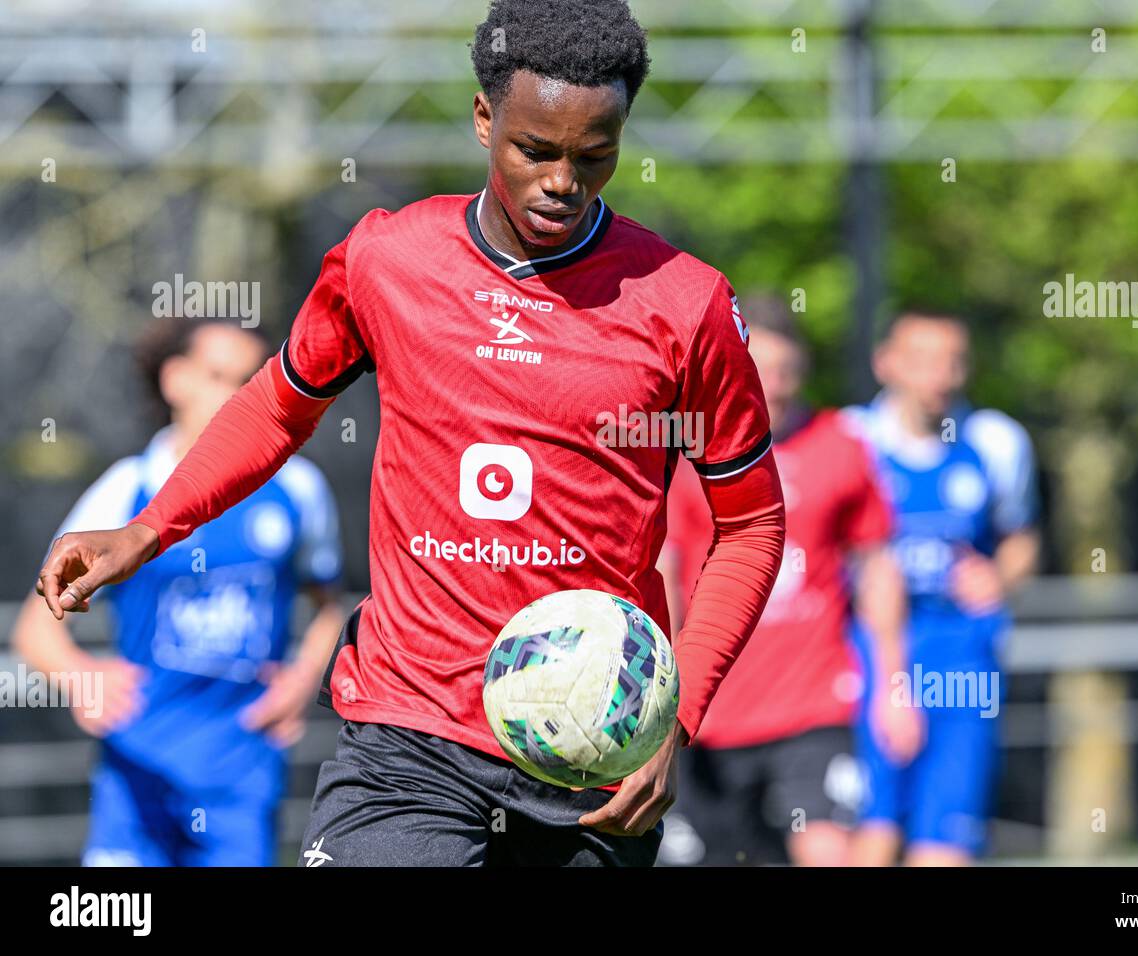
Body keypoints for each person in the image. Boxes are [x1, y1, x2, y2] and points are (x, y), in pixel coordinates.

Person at [35, 0, 785, 867]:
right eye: (534, 151)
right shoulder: (388, 258)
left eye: (595, 155)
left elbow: (752, 525)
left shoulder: (684, 302)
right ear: (483, 118)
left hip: (593, 757)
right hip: (407, 733)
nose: (562, 182)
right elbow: (280, 404)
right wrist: (148, 528)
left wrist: (676, 714)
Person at [12, 318, 346, 866]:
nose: (233, 397)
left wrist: (303, 679)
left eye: (248, 382)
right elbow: (34, 627)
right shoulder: (127, 489)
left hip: (240, 775)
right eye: (218, 376)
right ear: (175, 380)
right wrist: (81, 675)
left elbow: (331, 609)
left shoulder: (298, 491)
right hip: (138, 769)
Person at [657, 298, 912, 867]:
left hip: (815, 704)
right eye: (760, 368)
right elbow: (667, 570)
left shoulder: (842, 445)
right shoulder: (693, 451)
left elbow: (877, 567)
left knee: (826, 848)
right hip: (714, 707)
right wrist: (667, 679)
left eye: (786, 370)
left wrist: (895, 684)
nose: (773, 384)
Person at [843, 309, 1040, 866]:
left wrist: (999, 574)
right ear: (887, 363)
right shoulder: (853, 439)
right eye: (923, 361)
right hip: (867, 655)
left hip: (963, 659)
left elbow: (1022, 539)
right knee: (869, 830)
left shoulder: (996, 443)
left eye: (953, 362)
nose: (940, 376)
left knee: (948, 839)